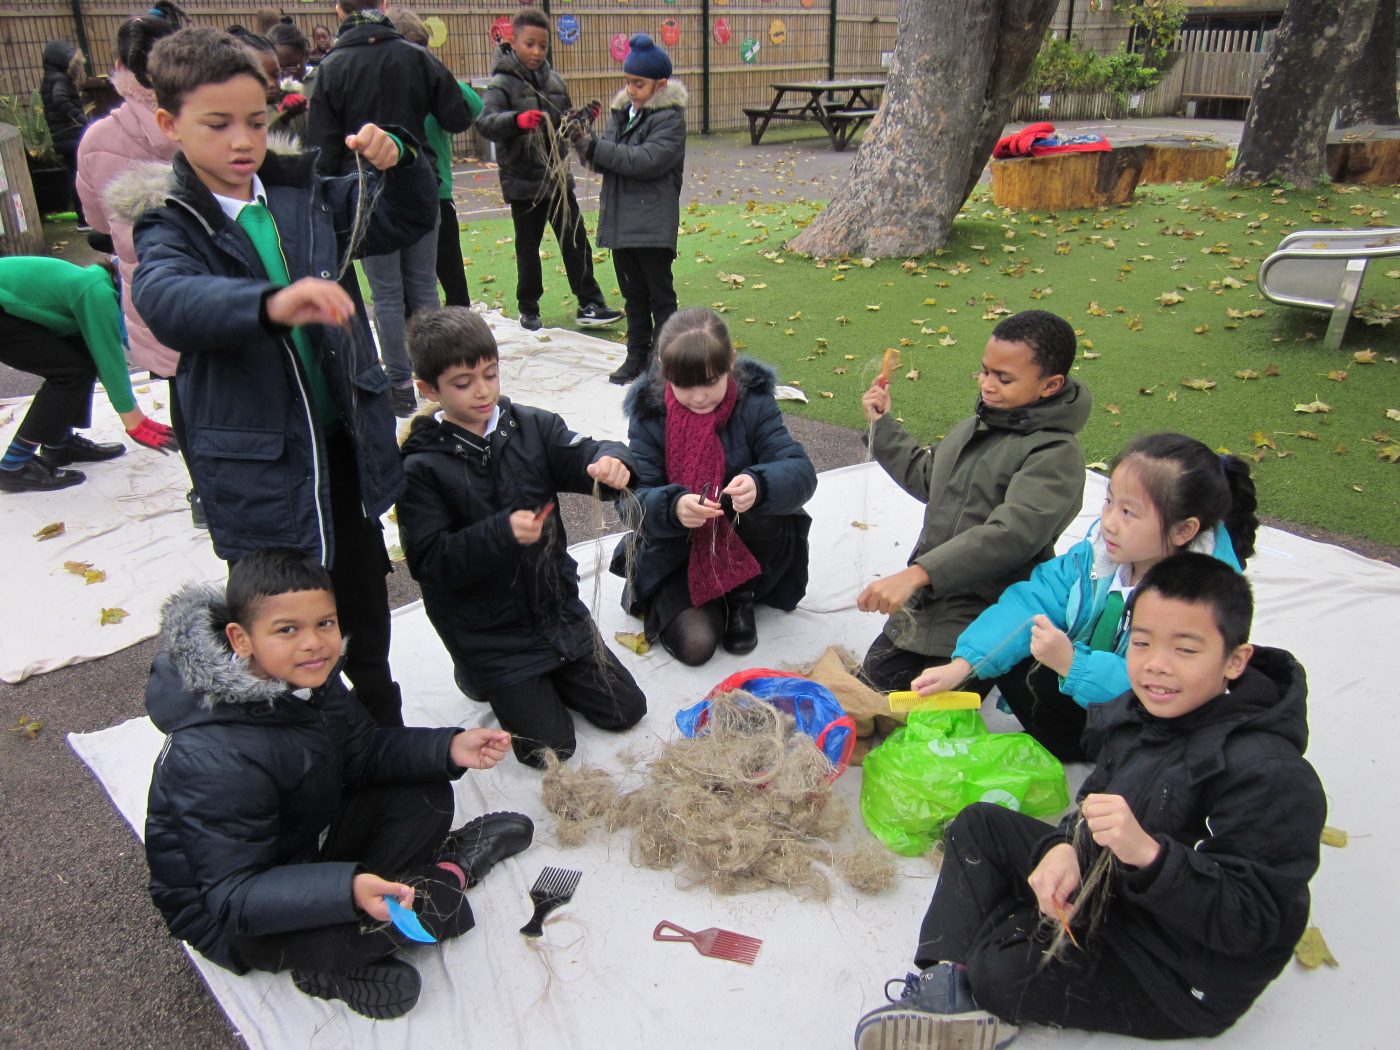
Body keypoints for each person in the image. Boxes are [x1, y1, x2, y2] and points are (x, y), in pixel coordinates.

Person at [855, 554, 1326, 1046]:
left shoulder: (1269, 774)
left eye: (1185, 650)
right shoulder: (1141, 710)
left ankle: (984, 972)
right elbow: (1097, 794)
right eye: (1142, 643)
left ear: (1235, 660)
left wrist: (1149, 857)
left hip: (1175, 969)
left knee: (999, 971)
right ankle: (947, 980)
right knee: (979, 824)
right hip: (1111, 882)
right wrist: (1064, 844)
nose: (1157, 666)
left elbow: (1254, 922)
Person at [132, 26, 438, 725]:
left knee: (359, 597)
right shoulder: (169, 221)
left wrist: (402, 158)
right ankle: (299, 734)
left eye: (257, 121)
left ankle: (380, 716)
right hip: (260, 468)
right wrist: (271, 304)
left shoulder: (301, 194)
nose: (242, 140)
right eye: (218, 124)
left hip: (342, 444)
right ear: (169, 123)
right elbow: (168, 299)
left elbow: (403, 218)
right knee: (286, 618)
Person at [144, 547, 536, 1020]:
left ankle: (423, 881)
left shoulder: (307, 676)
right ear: (240, 638)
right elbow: (232, 896)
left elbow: (364, 753)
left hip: (305, 840)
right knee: (413, 920)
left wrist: (449, 748)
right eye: (287, 629)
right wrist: (346, 890)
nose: (313, 643)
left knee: (426, 791)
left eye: (324, 624)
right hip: (234, 915)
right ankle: (356, 941)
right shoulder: (213, 756)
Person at [397, 307, 647, 767]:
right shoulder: (420, 467)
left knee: (626, 710)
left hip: (556, 613)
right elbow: (431, 562)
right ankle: (482, 677)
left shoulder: (531, 425)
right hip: (491, 633)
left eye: (490, 374)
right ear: (428, 389)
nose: (483, 390)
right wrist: (500, 533)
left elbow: (583, 452)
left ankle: (544, 677)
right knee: (551, 748)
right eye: (463, 382)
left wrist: (612, 461)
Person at [913, 432, 1259, 761]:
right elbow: (1033, 601)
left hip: (1144, 729)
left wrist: (1072, 665)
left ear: (1184, 530)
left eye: (1128, 512)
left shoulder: (1197, 602)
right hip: (1086, 696)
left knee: (1044, 664)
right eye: (1109, 502)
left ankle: (1080, 747)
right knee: (1017, 640)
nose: (1108, 522)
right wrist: (963, 665)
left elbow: (1165, 690)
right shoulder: (1096, 556)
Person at [856, 309, 1091, 695]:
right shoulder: (976, 426)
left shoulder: (1055, 454)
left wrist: (917, 574)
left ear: (1050, 386)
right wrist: (883, 429)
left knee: (925, 711)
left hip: (987, 613)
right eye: (985, 371)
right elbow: (930, 478)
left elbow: (1010, 535)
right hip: (928, 602)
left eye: (1004, 378)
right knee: (871, 688)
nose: (987, 385)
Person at [612, 307, 817, 666]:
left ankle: (740, 595)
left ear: (730, 363)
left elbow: (800, 471)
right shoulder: (649, 415)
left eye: (710, 381)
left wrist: (760, 484)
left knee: (750, 502)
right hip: (679, 550)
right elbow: (629, 502)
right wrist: (673, 507)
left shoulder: (754, 402)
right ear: (664, 371)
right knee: (696, 646)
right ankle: (695, 596)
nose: (700, 396)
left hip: (751, 544)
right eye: (685, 385)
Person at [307, 0, 475, 417]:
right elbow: (458, 115)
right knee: (422, 286)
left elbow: (322, 155)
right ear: (383, 4)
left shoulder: (330, 68)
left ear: (337, 9)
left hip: (363, 195)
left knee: (385, 294)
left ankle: (400, 382)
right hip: (418, 186)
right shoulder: (415, 57)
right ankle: (436, 377)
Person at [76, 4, 191, 488]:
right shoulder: (201, 124)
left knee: (180, 390)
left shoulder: (98, 136)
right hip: (215, 278)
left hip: (146, 285)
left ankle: (201, 489)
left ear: (120, 66)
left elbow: (95, 219)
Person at [477, 8, 622, 333]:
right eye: (530, 44)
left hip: (558, 180)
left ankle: (590, 304)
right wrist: (516, 121)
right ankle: (529, 308)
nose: (537, 52)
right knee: (528, 248)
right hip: (523, 182)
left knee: (575, 239)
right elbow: (485, 121)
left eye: (543, 46)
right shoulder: (501, 83)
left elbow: (566, 123)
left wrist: (582, 119)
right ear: (514, 41)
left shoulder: (555, 81)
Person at [0, 255, 184, 493]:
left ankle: (59, 445)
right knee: (69, 373)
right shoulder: (98, 294)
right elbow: (109, 359)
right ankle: (14, 465)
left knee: (79, 359)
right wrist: (135, 422)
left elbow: (96, 351)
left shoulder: (100, 282)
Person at [571, 33, 686, 386]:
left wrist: (597, 149)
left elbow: (644, 160)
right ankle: (636, 354)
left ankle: (666, 362)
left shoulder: (670, 119)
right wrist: (582, 141)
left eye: (639, 83)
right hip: (621, 222)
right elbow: (605, 160)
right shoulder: (623, 113)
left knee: (660, 297)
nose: (632, 89)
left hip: (651, 225)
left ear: (660, 84)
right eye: (629, 82)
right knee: (633, 296)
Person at [387, 5, 484, 309]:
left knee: (450, 273)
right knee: (405, 282)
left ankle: (461, 338)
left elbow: (475, 105)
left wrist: (435, 71)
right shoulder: (386, 84)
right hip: (394, 194)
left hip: (437, 191)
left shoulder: (433, 80)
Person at [39, 40, 91, 230]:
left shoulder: (50, 78)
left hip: (62, 136)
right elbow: (59, 98)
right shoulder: (60, 80)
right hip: (70, 136)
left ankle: (83, 218)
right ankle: (85, 219)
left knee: (74, 175)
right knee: (81, 177)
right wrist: (80, 118)